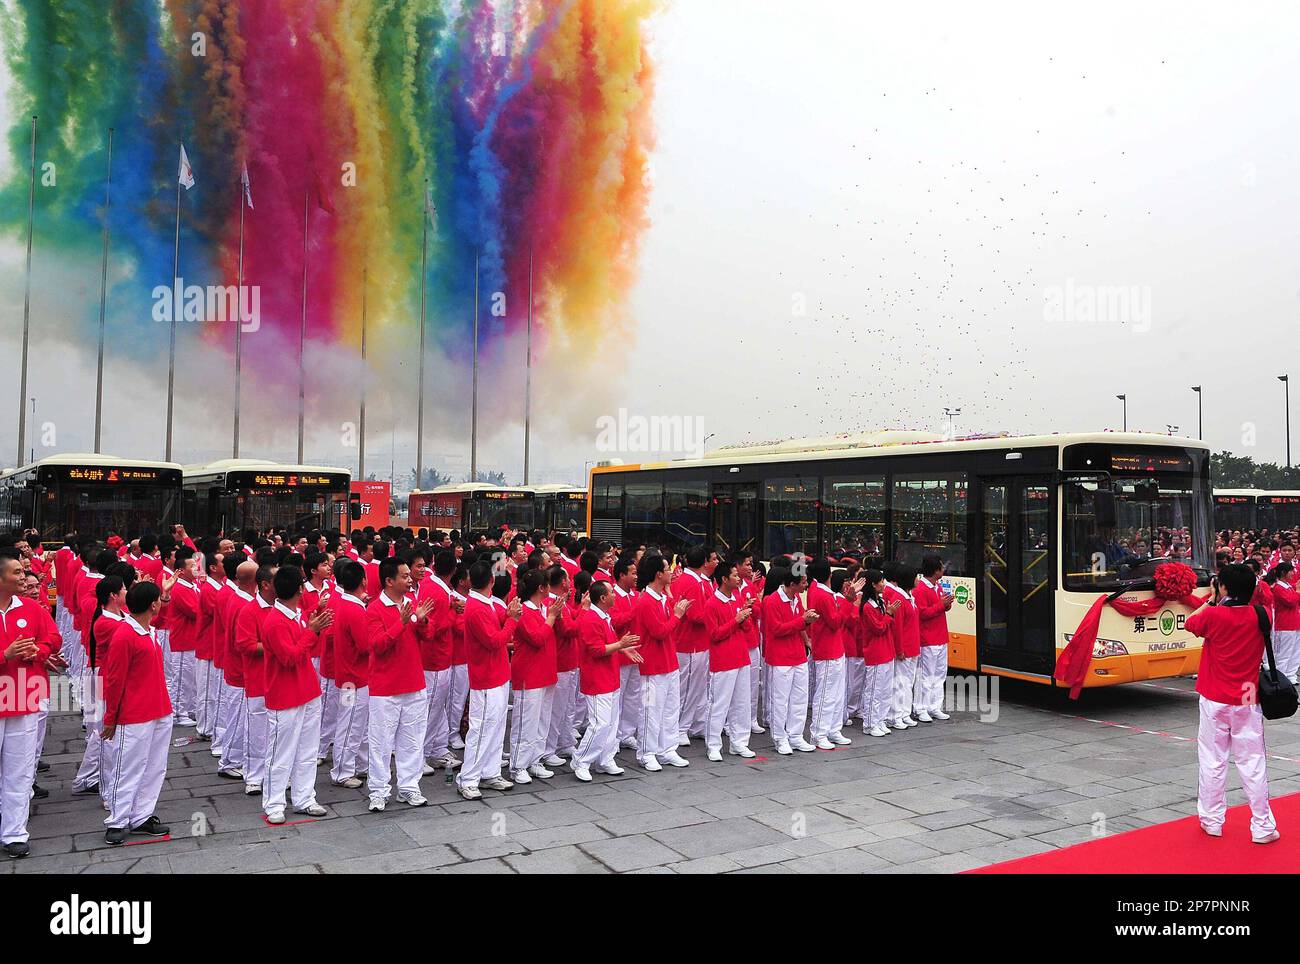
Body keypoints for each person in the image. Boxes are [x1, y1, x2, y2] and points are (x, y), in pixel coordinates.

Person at [1185, 563, 1278, 843]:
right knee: (1253, 761)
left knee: (1213, 761)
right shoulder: (1262, 615)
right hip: (1248, 694)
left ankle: (1212, 820)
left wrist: (1212, 599)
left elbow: (1190, 623)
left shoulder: (1213, 616)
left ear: (1223, 587)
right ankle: (1262, 826)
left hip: (1215, 695)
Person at [260, 566, 333, 824]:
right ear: (300, 589)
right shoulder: (275, 622)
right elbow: (289, 658)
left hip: (307, 691)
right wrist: (311, 631)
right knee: (280, 752)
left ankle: (304, 797)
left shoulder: (298, 615)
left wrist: (312, 627)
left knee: (307, 749)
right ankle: (274, 803)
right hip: (284, 695)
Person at [101, 581, 172, 846]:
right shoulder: (124, 634)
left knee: (155, 767)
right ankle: (117, 820)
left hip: (159, 709)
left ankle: (141, 815)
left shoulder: (148, 630)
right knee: (127, 767)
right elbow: (114, 680)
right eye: (159, 601)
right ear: (152, 604)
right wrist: (111, 718)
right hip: (133, 714)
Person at [0, 550, 58, 858]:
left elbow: (53, 640)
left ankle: (14, 832)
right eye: (17, 574)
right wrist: (4, 655)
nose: (24, 577)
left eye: (24, 573)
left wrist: (38, 650)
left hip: (24, 699)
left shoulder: (34, 610)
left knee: (19, 770)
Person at [365, 557, 435, 811]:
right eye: (404, 576)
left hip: (414, 683)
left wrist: (423, 620)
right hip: (385, 688)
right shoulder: (374, 609)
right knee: (381, 742)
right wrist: (402, 622)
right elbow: (378, 646)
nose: (409, 580)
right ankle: (378, 790)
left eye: (409, 576)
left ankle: (409, 787)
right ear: (389, 580)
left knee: (413, 740)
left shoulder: (412, 603)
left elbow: (427, 636)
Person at [456, 561, 522, 801]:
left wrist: (509, 615)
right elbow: (494, 641)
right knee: (481, 729)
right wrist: (512, 619)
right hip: (486, 679)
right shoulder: (476, 608)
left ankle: (490, 771)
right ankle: (468, 778)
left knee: (495, 727)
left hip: (497, 675)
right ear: (491, 582)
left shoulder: (483, 604)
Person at [570, 580, 641, 781]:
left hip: (609, 677)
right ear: (602, 598)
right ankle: (581, 760)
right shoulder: (591, 619)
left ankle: (605, 760)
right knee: (599, 724)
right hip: (597, 680)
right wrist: (620, 644)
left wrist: (622, 648)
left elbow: (607, 644)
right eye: (611, 593)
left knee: (611, 722)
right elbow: (596, 650)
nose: (615, 595)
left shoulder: (603, 616)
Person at [632, 554, 692, 771]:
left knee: (670, 709)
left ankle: (667, 749)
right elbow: (659, 632)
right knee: (650, 711)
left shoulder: (662, 598)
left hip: (669, 663)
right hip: (652, 667)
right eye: (667, 569)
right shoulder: (646, 601)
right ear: (658, 574)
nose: (671, 572)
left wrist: (676, 610)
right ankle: (647, 752)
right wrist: (678, 616)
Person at [508, 570, 559, 784]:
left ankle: (535, 759)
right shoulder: (525, 612)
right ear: (541, 588)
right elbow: (537, 639)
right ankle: (518, 765)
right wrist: (552, 618)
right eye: (547, 585)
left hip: (545, 671)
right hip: (529, 673)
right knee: (525, 721)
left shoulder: (543, 609)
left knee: (542, 719)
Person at [761, 567, 819, 754]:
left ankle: (796, 736)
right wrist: (803, 621)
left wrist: (807, 636)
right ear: (792, 584)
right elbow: (777, 629)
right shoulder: (771, 601)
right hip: (780, 658)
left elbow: (799, 624)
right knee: (780, 700)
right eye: (803, 582)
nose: (806, 585)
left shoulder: (795, 599)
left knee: (800, 699)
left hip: (798, 656)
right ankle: (780, 738)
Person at [703, 561, 756, 760]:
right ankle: (713, 745)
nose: (738, 578)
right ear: (724, 579)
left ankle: (739, 742)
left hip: (741, 657)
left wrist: (745, 616)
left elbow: (748, 628)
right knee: (719, 704)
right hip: (723, 660)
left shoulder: (737, 599)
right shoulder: (711, 604)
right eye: (734, 575)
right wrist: (736, 620)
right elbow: (714, 634)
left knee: (742, 703)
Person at [328, 561, 370, 789]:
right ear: (363, 581)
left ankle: (359, 765)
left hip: (350, 675)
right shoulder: (354, 609)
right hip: (353, 678)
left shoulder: (345, 603)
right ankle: (342, 771)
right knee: (350, 724)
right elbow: (365, 646)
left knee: (356, 723)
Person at [672, 546, 716, 746]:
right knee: (688, 688)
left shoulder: (696, 581)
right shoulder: (691, 582)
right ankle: (680, 728)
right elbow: (696, 615)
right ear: (704, 561)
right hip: (690, 643)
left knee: (698, 688)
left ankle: (696, 724)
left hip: (697, 643)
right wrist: (715, 613)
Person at [857, 569, 899, 737]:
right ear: (873, 585)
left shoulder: (879, 602)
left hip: (886, 651)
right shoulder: (867, 607)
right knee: (874, 690)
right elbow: (878, 628)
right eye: (881, 581)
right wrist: (889, 614)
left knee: (885, 690)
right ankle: (870, 723)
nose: (884, 584)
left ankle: (880, 719)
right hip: (875, 653)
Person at [912, 555, 954, 722]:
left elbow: (940, 608)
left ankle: (934, 706)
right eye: (941, 567)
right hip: (928, 640)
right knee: (926, 676)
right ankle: (920, 707)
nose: (943, 570)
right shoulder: (921, 589)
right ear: (936, 570)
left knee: (939, 675)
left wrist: (947, 604)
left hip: (941, 637)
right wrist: (940, 605)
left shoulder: (937, 587)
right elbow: (922, 614)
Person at [1265, 563, 1300, 684]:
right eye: (1291, 571)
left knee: (1295, 652)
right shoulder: (1277, 588)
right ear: (1284, 573)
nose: (1293, 574)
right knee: (1283, 653)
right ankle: (1280, 677)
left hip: (1295, 623)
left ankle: (1290, 675)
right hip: (1284, 625)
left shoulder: (1289, 586)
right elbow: (1290, 601)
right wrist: (1298, 591)